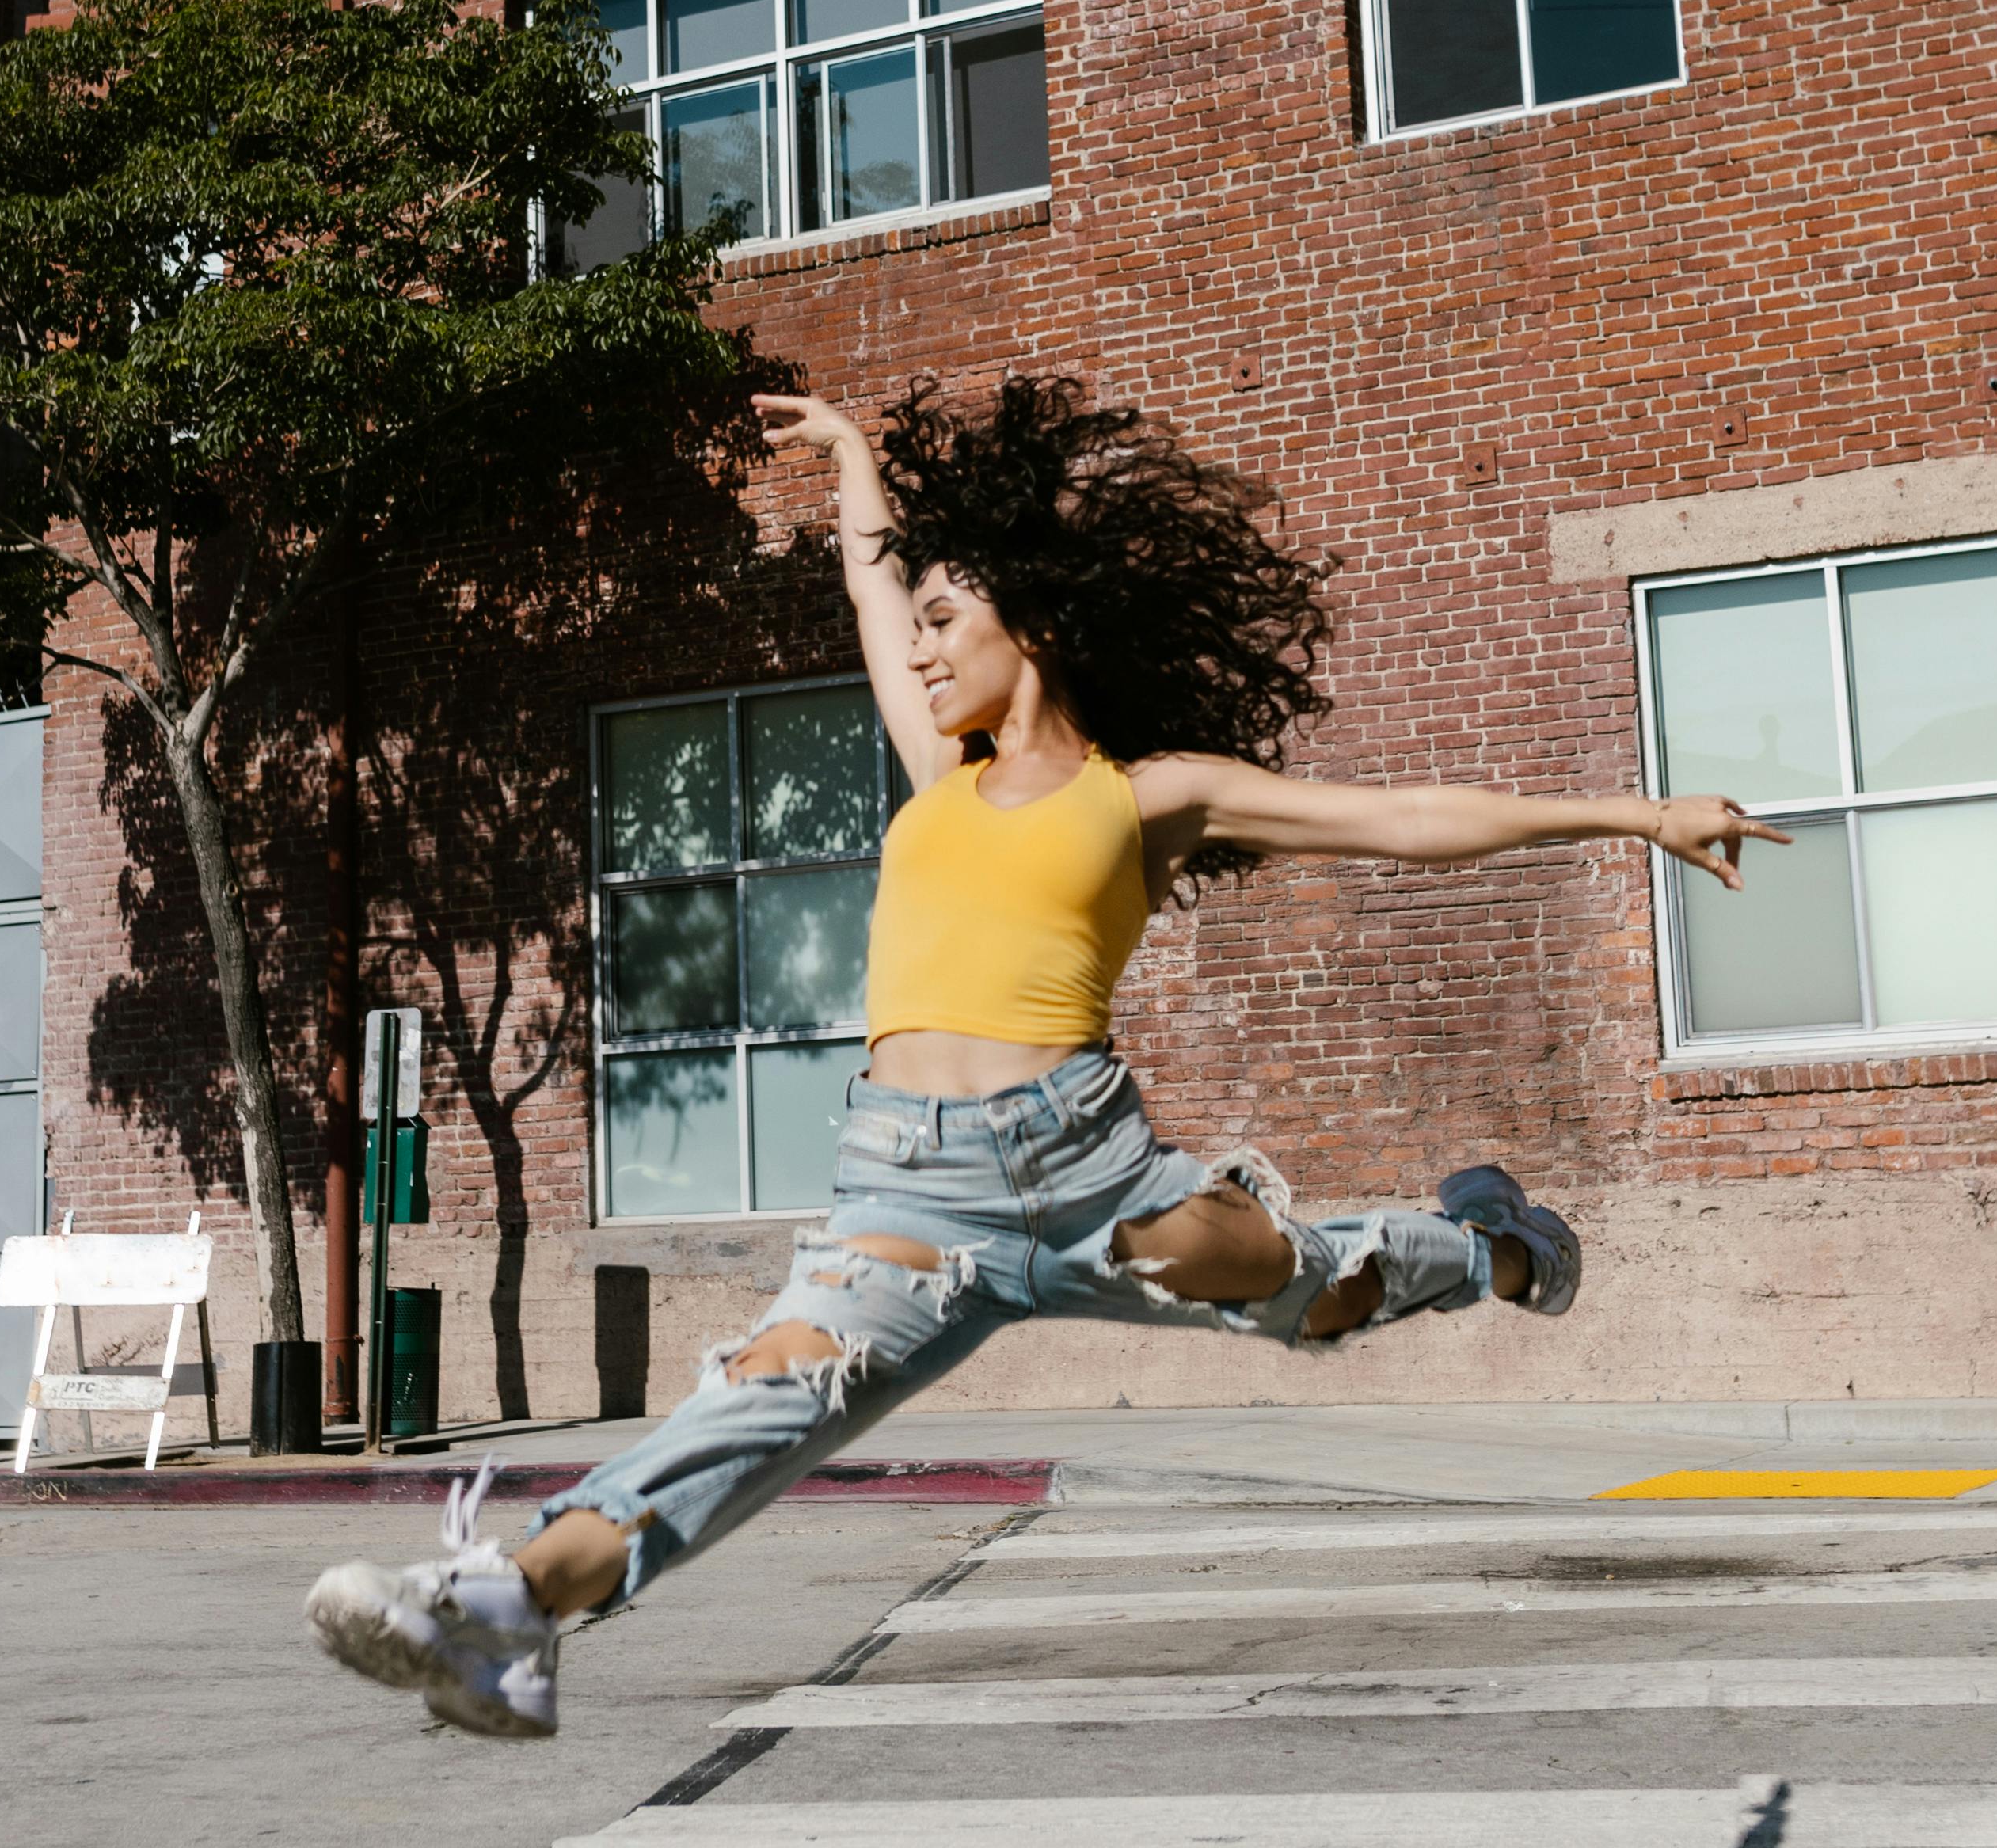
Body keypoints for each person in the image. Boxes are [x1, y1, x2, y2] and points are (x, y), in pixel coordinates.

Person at [308, 375, 1784, 1739]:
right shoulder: (932, 772)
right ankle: (511, 1607)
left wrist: (1639, 815)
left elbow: (1400, 818)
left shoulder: (1147, 796)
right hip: (908, 1195)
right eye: (921, 624)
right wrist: (854, 460)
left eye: (950, 619)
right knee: (758, 1400)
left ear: (1038, 625)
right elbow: (871, 584)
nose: (922, 646)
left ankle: (1502, 1247)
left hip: (1091, 1176)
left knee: (1320, 1290)